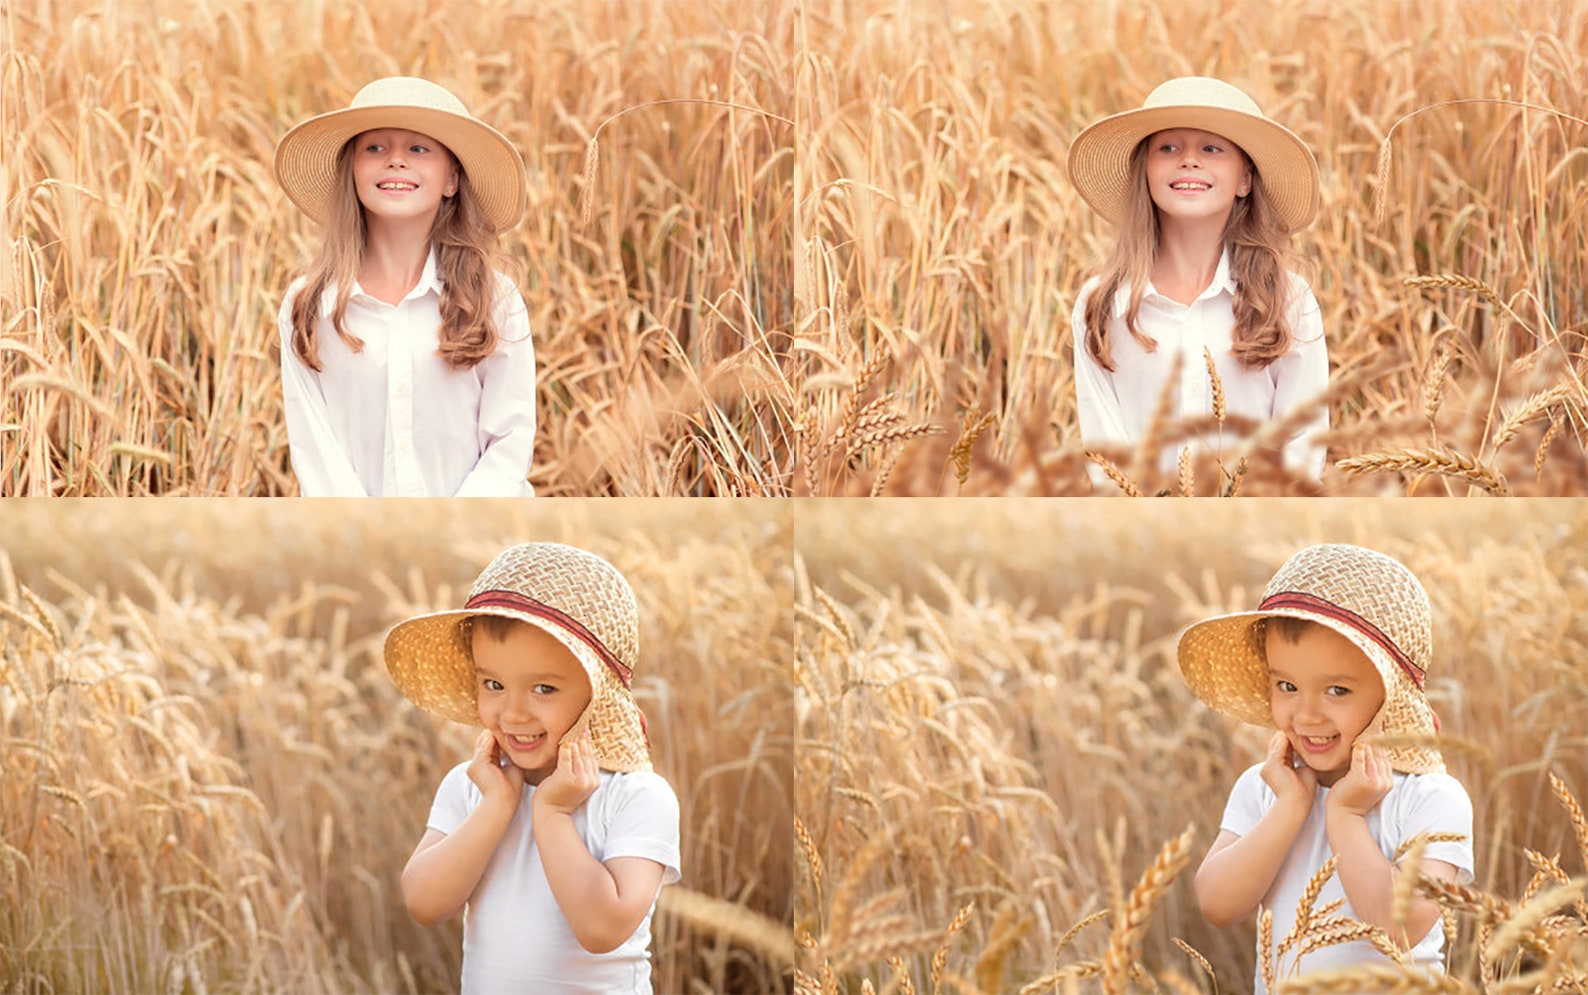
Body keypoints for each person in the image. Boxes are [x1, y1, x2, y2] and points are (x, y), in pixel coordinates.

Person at [384, 542, 680, 993]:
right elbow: (423, 903)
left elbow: (602, 929)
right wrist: (497, 805)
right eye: (494, 684)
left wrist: (552, 813)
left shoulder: (635, 796)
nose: (514, 713)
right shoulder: (474, 788)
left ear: (596, 695)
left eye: (543, 688)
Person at [1177, 543, 1473, 993]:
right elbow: (1216, 904)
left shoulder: (1429, 798)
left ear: (1390, 697)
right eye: (1288, 685)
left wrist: (1345, 816)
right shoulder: (1266, 788)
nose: (1307, 715)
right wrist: (1291, 806)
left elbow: (1403, 927)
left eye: (1337, 690)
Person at [274, 77, 537, 496]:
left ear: (451, 179)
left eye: (418, 148)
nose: (395, 160)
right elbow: (316, 453)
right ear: (353, 173)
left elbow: (509, 441)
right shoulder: (310, 305)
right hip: (356, 545)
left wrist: (452, 535)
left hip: (478, 536)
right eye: (375, 147)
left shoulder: (494, 299)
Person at [1067, 77, 1329, 484]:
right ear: (1146, 173)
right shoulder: (1103, 305)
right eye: (1168, 148)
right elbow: (1106, 453)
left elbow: (1302, 441)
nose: (1188, 160)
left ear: (1245, 179)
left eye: (1211, 148)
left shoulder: (1288, 299)